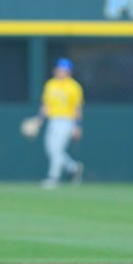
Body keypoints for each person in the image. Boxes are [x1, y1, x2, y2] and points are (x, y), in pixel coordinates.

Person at [38, 58, 84, 189]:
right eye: (59, 69)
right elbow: (45, 105)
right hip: (52, 120)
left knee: (57, 150)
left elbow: (77, 108)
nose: (61, 72)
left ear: (69, 72)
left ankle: (53, 178)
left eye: (64, 70)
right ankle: (73, 167)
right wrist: (39, 119)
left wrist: (78, 125)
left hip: (66, 121)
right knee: (51, 150)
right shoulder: (50, 84)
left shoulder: (74, 87)